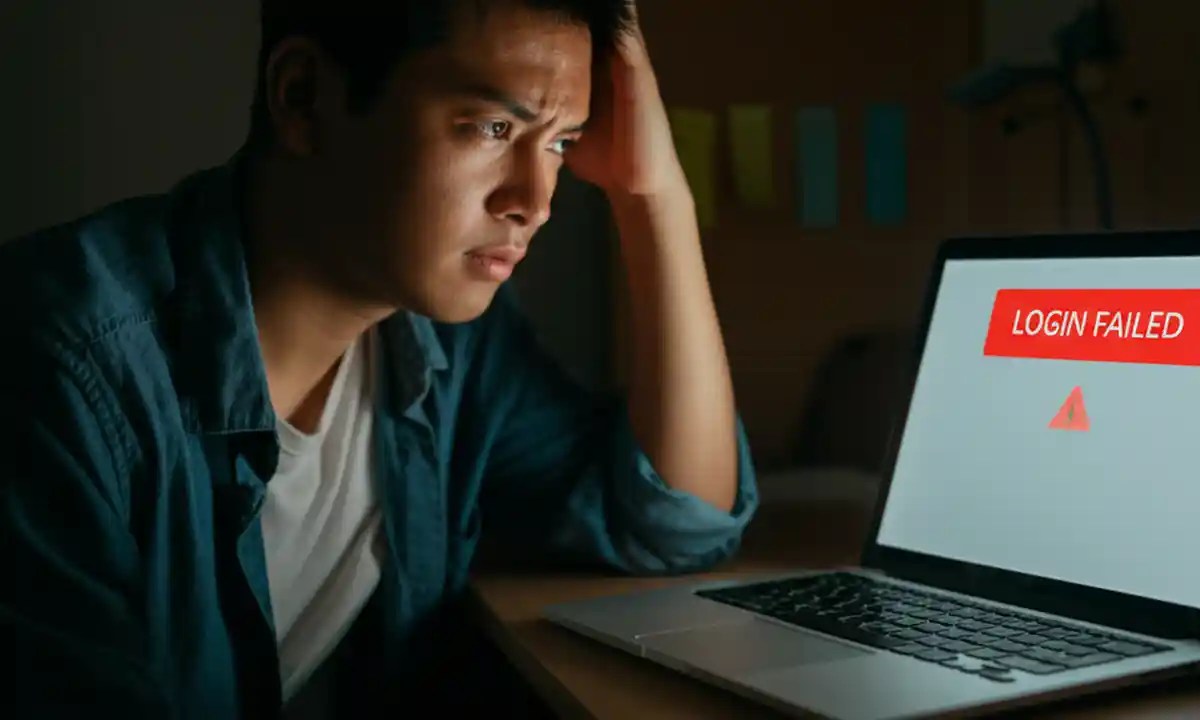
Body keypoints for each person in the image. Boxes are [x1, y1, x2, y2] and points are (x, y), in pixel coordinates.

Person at [1, 0, 760, 717]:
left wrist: (654, 198)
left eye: (560, 144)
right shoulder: (60, 367)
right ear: (303, 99)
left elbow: (676, 525)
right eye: (492, 128)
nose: (536, 199)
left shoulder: (453, 350)